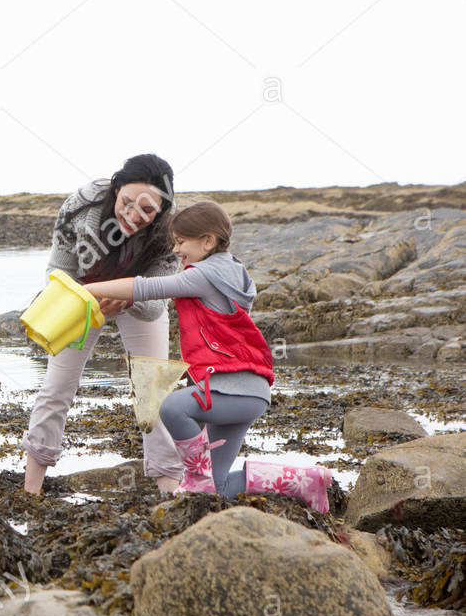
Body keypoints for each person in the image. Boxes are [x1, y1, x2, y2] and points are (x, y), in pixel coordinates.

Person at [83, 200, 333, 512]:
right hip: (245, 393)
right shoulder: (233, 272)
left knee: (172, 407)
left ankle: (194, 476)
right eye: (174, 241)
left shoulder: (203, 276)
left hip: (231, 391)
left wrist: (89, 289)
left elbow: (145, 288)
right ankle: (307, 480)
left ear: (208, 241)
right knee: (216, 488)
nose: (176, 249)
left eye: (181, 241)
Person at [21, 154, 184, 494]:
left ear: (161, 211)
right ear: (115, 188)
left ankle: (170, 490)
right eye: (127, 203)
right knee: (57, 387)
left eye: (147, 211)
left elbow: (156, 306)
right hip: (82, 295)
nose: (133, 216)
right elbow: (57, 271)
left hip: (139, 297)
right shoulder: (82, 205)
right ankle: (30, 490)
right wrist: (83, 299)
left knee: (153, 391)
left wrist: (128, 298)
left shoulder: (171, 232)